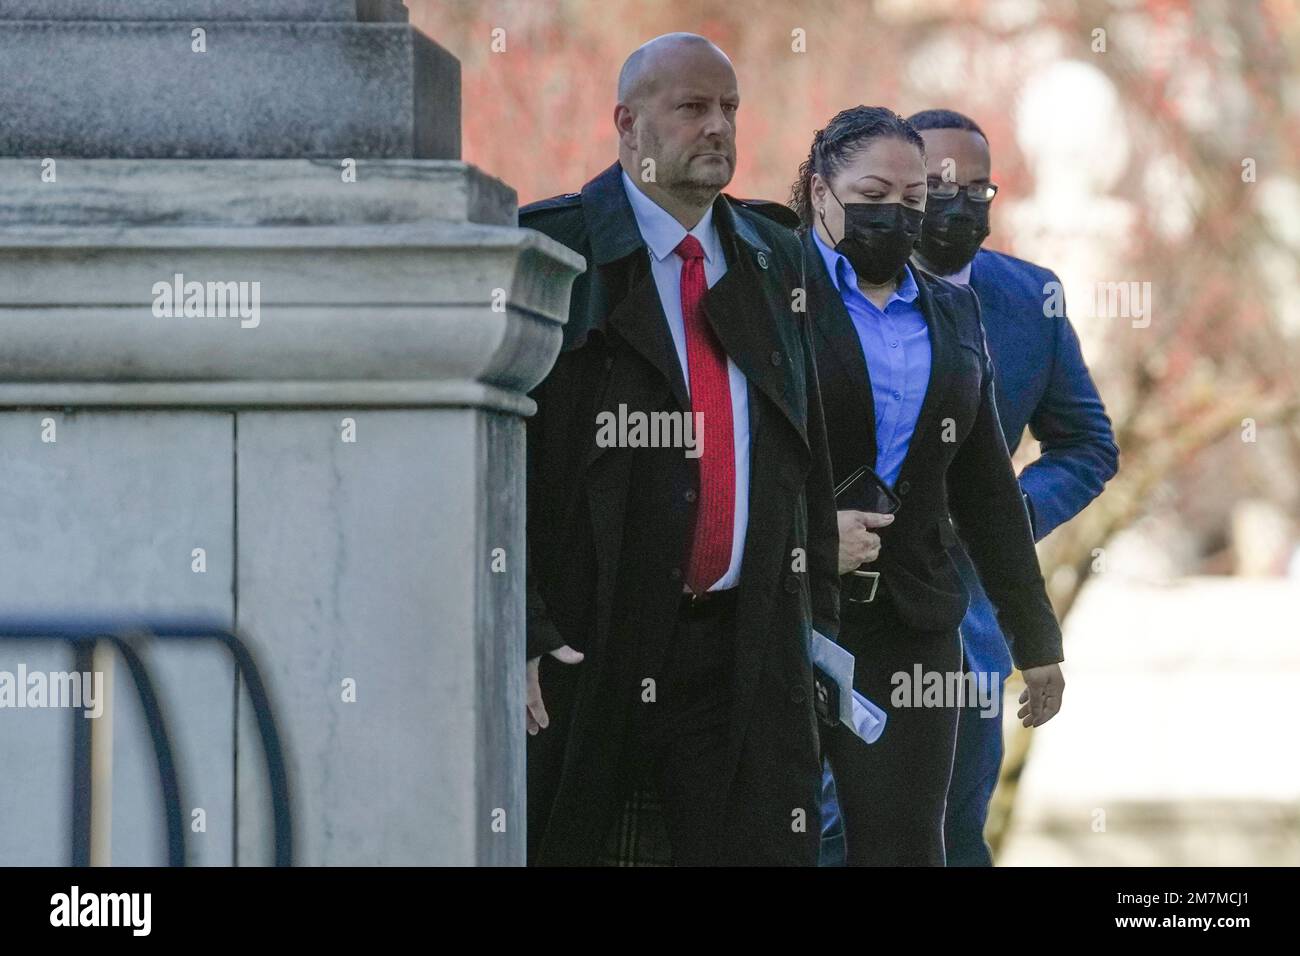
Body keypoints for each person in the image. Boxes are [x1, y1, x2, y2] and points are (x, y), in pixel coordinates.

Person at [519, 33, 841, 866]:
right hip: (591, 651)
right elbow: (492, 465)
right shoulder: (552, 255)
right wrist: (519, 624)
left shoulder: (776, 257)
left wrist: (819, 641)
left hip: (747, 651)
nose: (717, 127)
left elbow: (807, 459)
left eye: (729, 108)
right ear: (628, 125)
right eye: (692, 107)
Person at [791, 106, 1064, 866]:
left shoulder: (951, 310)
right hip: (784, 614)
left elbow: (985, 490)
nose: (899, 215)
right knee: (773, 839)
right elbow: (733, 456)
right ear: (821, 191)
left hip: (911, 624)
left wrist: (1035, 638)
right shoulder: (770, 287)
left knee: (908, 847)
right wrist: (813, 539)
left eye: (913, 202)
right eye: (873, 193)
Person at [906, 108, 1119, 866]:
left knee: (954, 840)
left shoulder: (1031, 297)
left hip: (969, 626)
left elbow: (1089, 444)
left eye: (976, 188)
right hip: (843, 619)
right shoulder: (830, 287)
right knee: (834, 833)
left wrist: (1009, 516)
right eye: (935, 186)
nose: (956, 202)